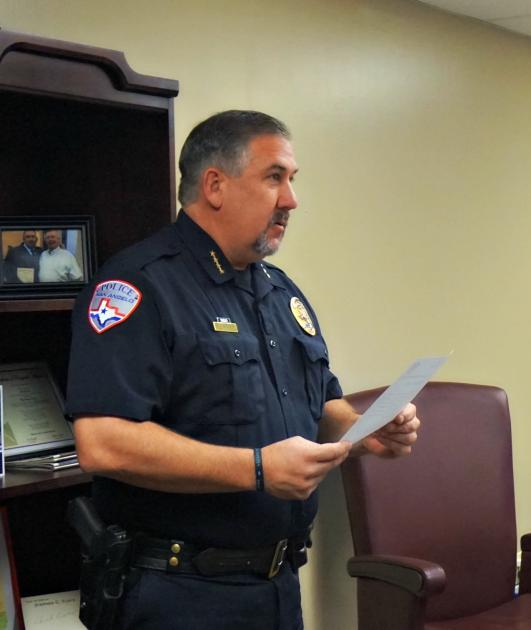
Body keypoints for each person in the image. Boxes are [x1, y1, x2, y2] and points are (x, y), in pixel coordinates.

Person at [64, 110, 420, 630]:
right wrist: (257, 469)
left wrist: (367, 431)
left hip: (276, 587)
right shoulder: (140, 288)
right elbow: (103, 442)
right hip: (179, 594)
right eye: (274, 177)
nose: (291, 200)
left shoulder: (278, 291)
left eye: (291, 181)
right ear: (214, 185)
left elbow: (319, 405)